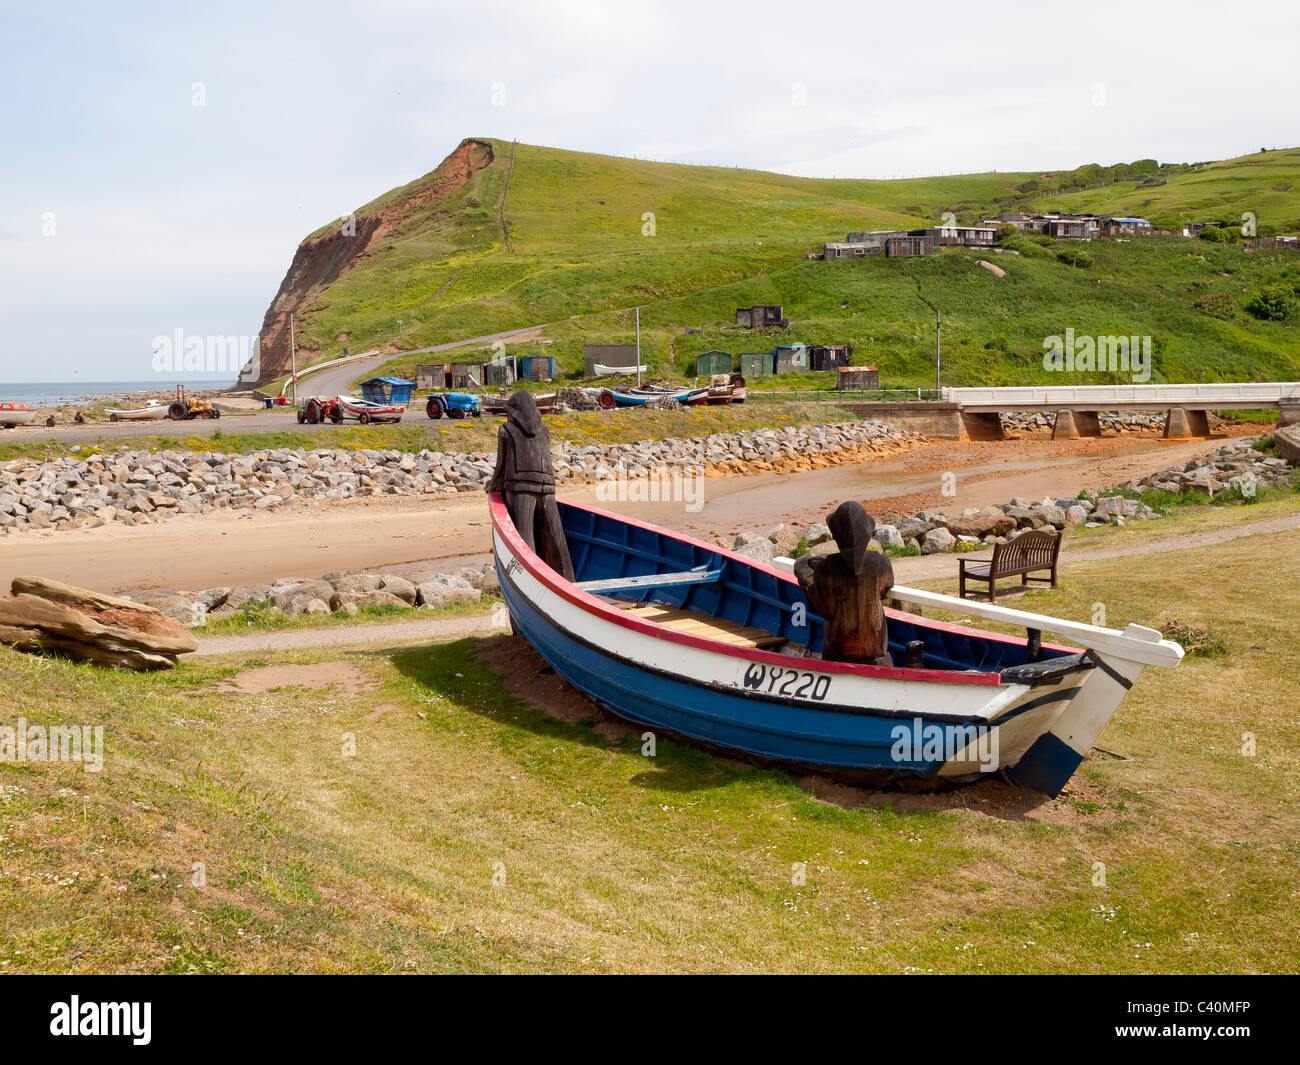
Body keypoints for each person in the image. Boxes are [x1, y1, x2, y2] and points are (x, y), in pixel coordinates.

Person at [486, 391, 575, 581]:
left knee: (524, 537)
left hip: (520, 489)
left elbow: (501, 467)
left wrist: (492, 486)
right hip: (547, 487)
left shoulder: (506, 430)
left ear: (514, 412)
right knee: (555, 537)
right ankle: (569, 582)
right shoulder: (544, 432)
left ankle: (530, 581)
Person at [793, 501, 894, 666]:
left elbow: (826, 610)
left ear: (835, 536)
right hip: (875, 650)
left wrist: (804, 572)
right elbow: (885, 589)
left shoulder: (827, 569)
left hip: (838, 651)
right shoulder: (881, 563)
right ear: (868, 532)